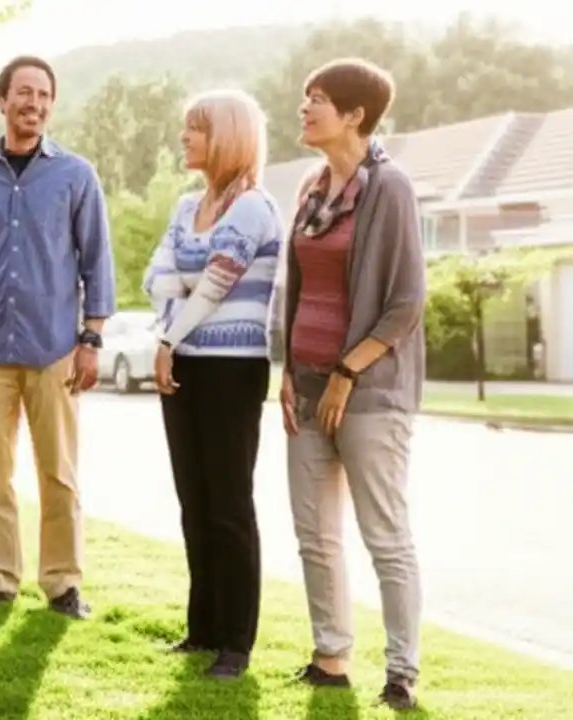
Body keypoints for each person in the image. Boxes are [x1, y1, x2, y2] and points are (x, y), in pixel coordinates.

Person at [0, 55, 115, 620]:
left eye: (43, 95)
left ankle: (62, 583)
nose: (33, 104)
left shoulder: (75, 176)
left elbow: (97, 263)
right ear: (2, 100)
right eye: (24, 93)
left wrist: (91, 339)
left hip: (54, 349)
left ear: (50, 106)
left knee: (58, 473)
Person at [280, 57, 425, 711]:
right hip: (305, 386)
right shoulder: (312, 189)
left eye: (316, 100)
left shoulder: (389, 188)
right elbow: (298, 289)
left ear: (354, 114)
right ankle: (330, 657)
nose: (304, 109)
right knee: (316, 535)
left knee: (383, 535)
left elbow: (406, 304)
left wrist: (346, 372)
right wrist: (288, 370)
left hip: (368, 393)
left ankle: (401, 671)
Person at [143, 89, 282, 680]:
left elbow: (215, 284)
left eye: (195, 130)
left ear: (224, 136)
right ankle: (202, 629)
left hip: (231, 368)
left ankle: (235, 642)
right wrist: (175, 335)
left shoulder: (252, 208)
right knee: (193, 501)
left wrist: (169, 338)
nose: (184, 139)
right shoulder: (184, 206)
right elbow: (157, 275)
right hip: (187, 362)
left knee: (228, 505)